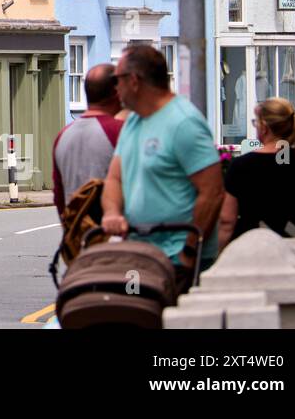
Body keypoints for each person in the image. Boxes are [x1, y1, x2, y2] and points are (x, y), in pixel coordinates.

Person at [101, 44, 223, 293]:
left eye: (118, 79)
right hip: (143, 254)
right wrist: (112, 212)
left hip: (179, 260)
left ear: (134, 81)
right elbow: (114, 178)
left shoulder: (184, 123)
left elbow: (212, 192)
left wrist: (190, 249)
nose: (115, 87)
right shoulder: (134, 120)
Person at [219, 98, 295, 246]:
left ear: (264, 127)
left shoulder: (242, 166)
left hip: (252, 249)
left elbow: (227, 220)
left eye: (255, 122)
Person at [52, 62, 125, 216]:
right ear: (117, 93)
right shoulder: (120, 130)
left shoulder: (62, 135)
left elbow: (59, 194)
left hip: (77, 232)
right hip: (112, 231)